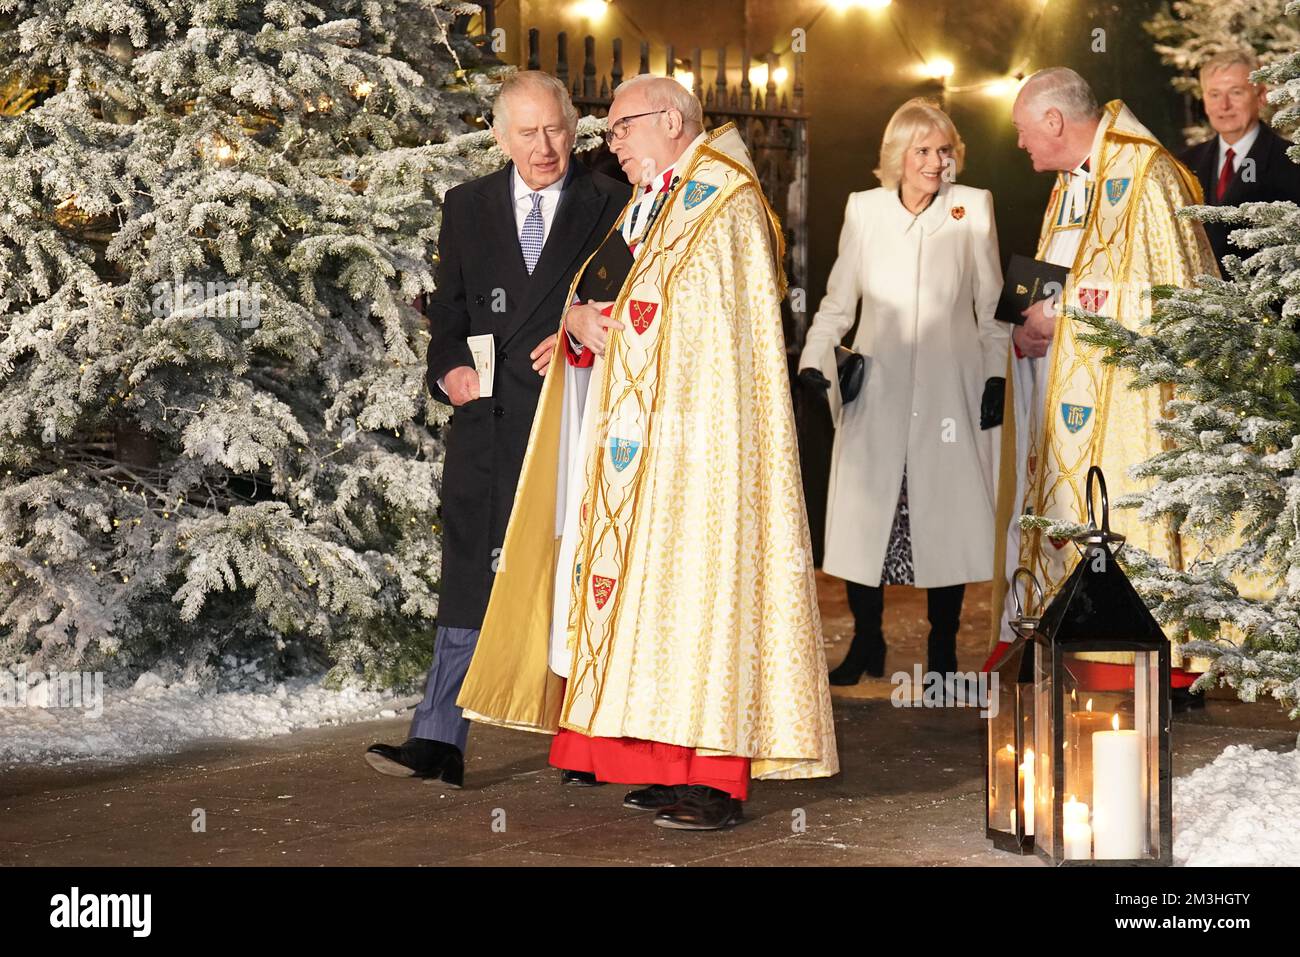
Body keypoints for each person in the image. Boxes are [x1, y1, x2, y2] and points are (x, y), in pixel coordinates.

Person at [455, 74, 838, 830]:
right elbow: (608, 294)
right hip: (646, 446)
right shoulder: (654, 197)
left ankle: (718, 776)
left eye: (620, 127)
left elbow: (709, 330)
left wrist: (613, 326)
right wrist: (579, 320)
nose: (611, 144)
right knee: (659, 608)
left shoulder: (722, 200)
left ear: (668, 118)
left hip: (702, 448)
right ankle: (668, 763)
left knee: (702, 602)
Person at [364, 72, 629, 787]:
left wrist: (575, 319)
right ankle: (439, 739)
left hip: (572, 420)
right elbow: (449, 320)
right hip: (489, 421)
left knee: (576, 576)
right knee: (470, 580)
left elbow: (633, 308)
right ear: (498, 136)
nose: (545, 147)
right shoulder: (467, 205)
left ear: (574, 129)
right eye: (528, 133)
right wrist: (447, 370)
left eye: (556, 130)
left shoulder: (615, 203)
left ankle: (589, 743)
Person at [990, 68, 1218, 693]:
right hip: (1058, 384)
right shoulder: (1071, 182)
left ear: (1055, 122)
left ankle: (1142, 658)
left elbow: (1168, 296)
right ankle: (1063, 634)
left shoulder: (1148, 176)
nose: (1019, 144)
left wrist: (1057, 313)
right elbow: (1051, 272)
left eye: (1023, 131)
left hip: (1126, 400)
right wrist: (1025, 324)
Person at [797, 98, 1008, 687]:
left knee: (945, 516)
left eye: (945, 150)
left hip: (950, 390)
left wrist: (994, 374)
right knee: (869, 517)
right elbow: (839, 302)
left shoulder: (972, 208)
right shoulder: (864, 210)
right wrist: (818, 358)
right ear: (897, 156)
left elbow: (991, 306)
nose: (938, 162)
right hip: (877, 388)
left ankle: (942, 651)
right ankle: (868, 643)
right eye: (924, 151)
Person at [1178, 50, 1300, 272]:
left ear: (1261, 96)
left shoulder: (1292, 162)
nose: (1224, 106)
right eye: (1214, 94)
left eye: (1236, 92)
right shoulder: (1184, 164)